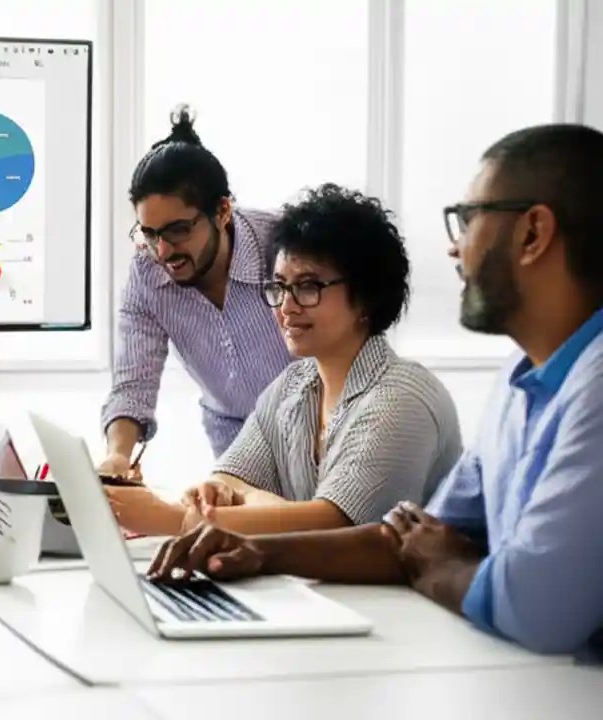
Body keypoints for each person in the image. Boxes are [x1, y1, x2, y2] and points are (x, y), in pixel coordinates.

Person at [148, 124, 603, 656]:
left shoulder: (592, 391)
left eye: (469, 220)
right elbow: (405, 537)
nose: (456, 249)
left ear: (532, 233)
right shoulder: (520, 377)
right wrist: (257, 551)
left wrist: (437, 563)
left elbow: (533, 606)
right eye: (282, 287)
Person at [107, 184, 462, 537]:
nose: (287, 307)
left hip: (397, 594)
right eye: (279, 287)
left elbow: (334, 526)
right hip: (313, 591)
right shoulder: (293, 385)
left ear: (367, 297)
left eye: (308, 287)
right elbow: (230, 479)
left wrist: (173, 520)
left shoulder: (402, 398)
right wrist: (224, 494)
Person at [99, 107, 293, 476]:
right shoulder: (147, 274)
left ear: (222, 211)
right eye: (150, 234)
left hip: (318, 435)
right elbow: (132, 385)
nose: (163, 251)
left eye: (177, 230)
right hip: (234, 446)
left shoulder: (282, 245)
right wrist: (117, 457)